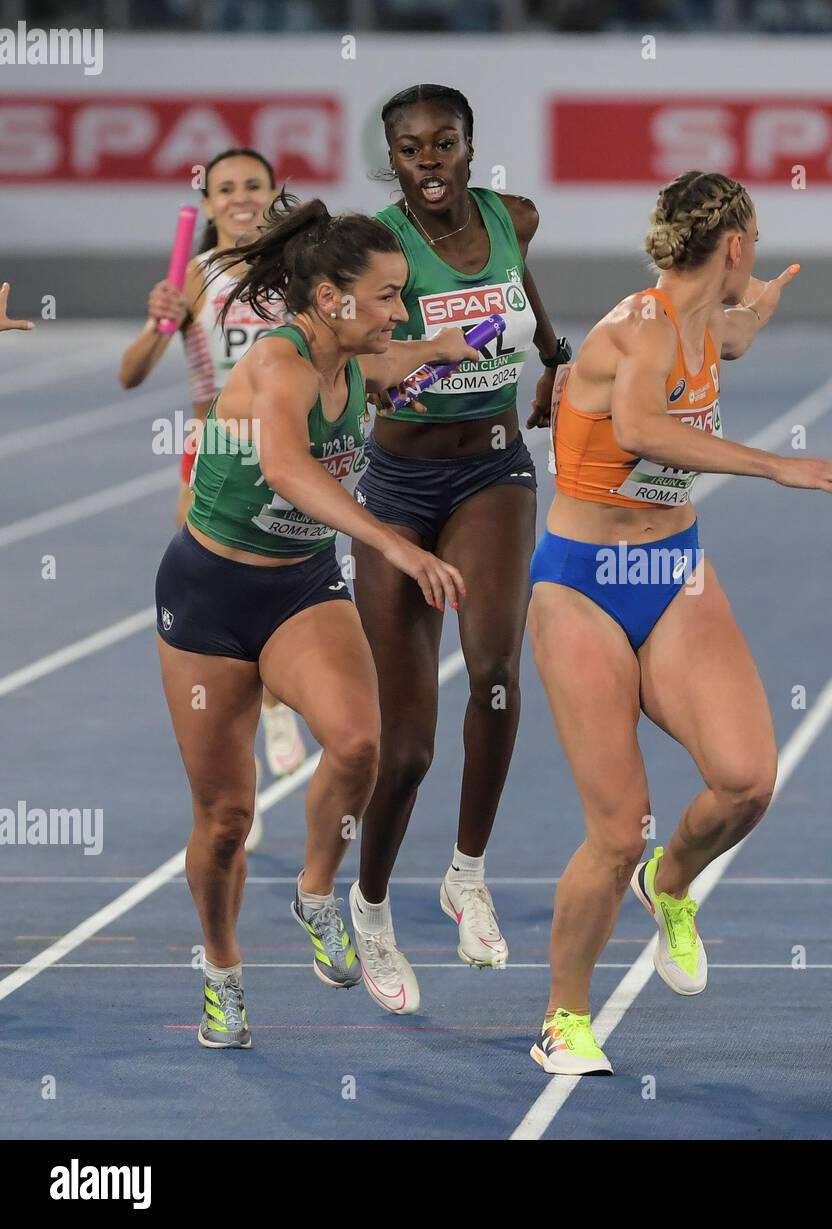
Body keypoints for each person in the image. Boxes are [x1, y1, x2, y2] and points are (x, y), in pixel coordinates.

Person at [529, 171, 832, 1074]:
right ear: (732, 246)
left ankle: (670, 883)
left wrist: (754, 314)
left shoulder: (701, 322)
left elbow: (729, 339)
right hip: (585, 585)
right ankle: (564, 1017)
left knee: (747, 780)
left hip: (673, 573)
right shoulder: (639, 329)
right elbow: (641, 427)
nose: (751, 261)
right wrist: (775, 466)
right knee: (614, 828)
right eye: (750, 248)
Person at [153, 192, 478, 1047]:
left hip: (299, 590)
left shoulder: (359, 361)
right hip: (210, 600)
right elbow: (291, 471)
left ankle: (314, 892)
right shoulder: (277, 365)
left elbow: (404, 357)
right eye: (386, 296)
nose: (398, 310)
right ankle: (222, 974)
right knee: (224, 821)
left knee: (361, 742)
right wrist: (398, 547)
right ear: (332, 299)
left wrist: (449, 346)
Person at [348, 84, 564, 1011]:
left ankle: (467, 874)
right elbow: (358, 352)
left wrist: (553, 361)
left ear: (471, 149)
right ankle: (371, 909)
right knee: (404, 750)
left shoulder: (514, 217)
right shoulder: (379, 246)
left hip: (492, 471)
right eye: (409, 148)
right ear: (391, 160)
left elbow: (527, 306)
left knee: (496, 673)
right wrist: (387, 377)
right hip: (398, 490)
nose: (428, 161)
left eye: (443, 144)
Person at [121, 150, 309, 833]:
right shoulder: (194, 279)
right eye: (224, 189)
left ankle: (279, 704)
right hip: (214, 453)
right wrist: (159, 321)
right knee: (212, 621)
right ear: (206, 206)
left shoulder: (299, 273)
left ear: (274, 193)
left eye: (252, 186)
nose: (239, 198)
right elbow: (131, 374)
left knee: (284, 598)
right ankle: (239, 780)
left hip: (292, 454)